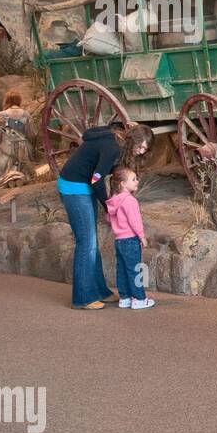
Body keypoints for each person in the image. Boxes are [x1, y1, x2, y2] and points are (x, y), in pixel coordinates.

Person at [56, 122, 153, 309]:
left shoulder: (118, 140)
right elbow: (96, 180)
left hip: (83, 186)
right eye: (140, 146)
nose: (141, 151)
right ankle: (83, 298)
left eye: (145, 149)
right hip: (74, 187)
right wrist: (109, 206)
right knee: (87, 242)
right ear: (133, 140)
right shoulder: (113, 148)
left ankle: (100, 291)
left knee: (91, 242)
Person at [106, 166, 154, 310]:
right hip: (131, 239)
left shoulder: (114, 200)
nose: (137, 182)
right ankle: (139, 298)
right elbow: (135, 221)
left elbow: (108, 218)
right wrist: (142, 236)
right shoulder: (129, 200)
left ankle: (124, 298)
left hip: (119, 240)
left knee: (122, 270)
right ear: (123, 184)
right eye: (133, 179)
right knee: (136, 270)